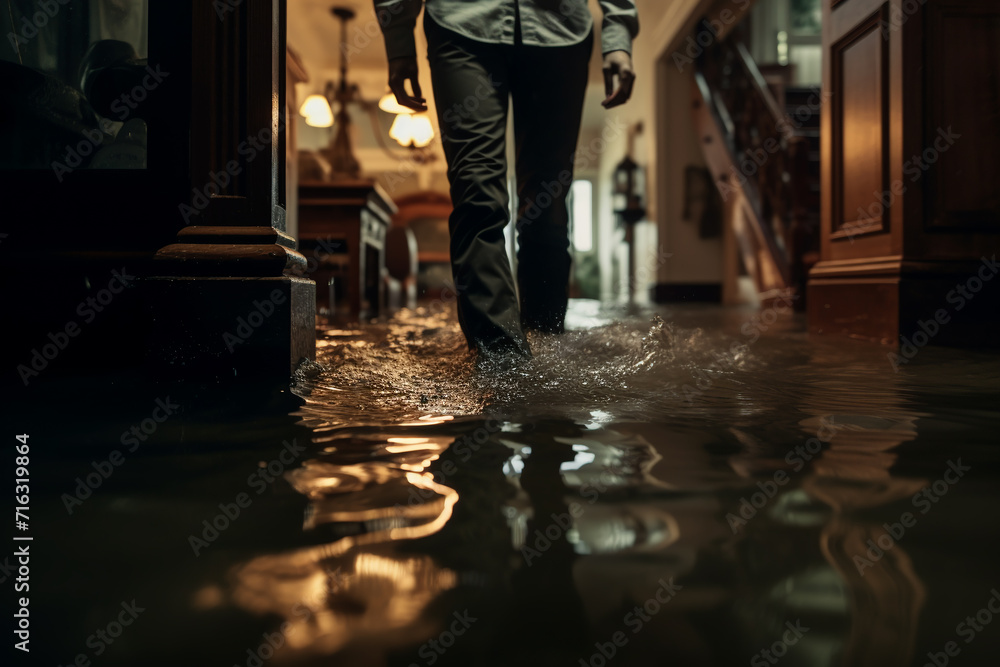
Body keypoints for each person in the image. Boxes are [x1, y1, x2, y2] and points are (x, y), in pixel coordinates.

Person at [374, 0, 639, 359]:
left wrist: (618, 32)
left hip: (561, 34)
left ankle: (546, 342)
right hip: (459, 26)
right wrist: (399, 36)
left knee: (547, 204)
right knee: (476, 193)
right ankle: (500, 359)